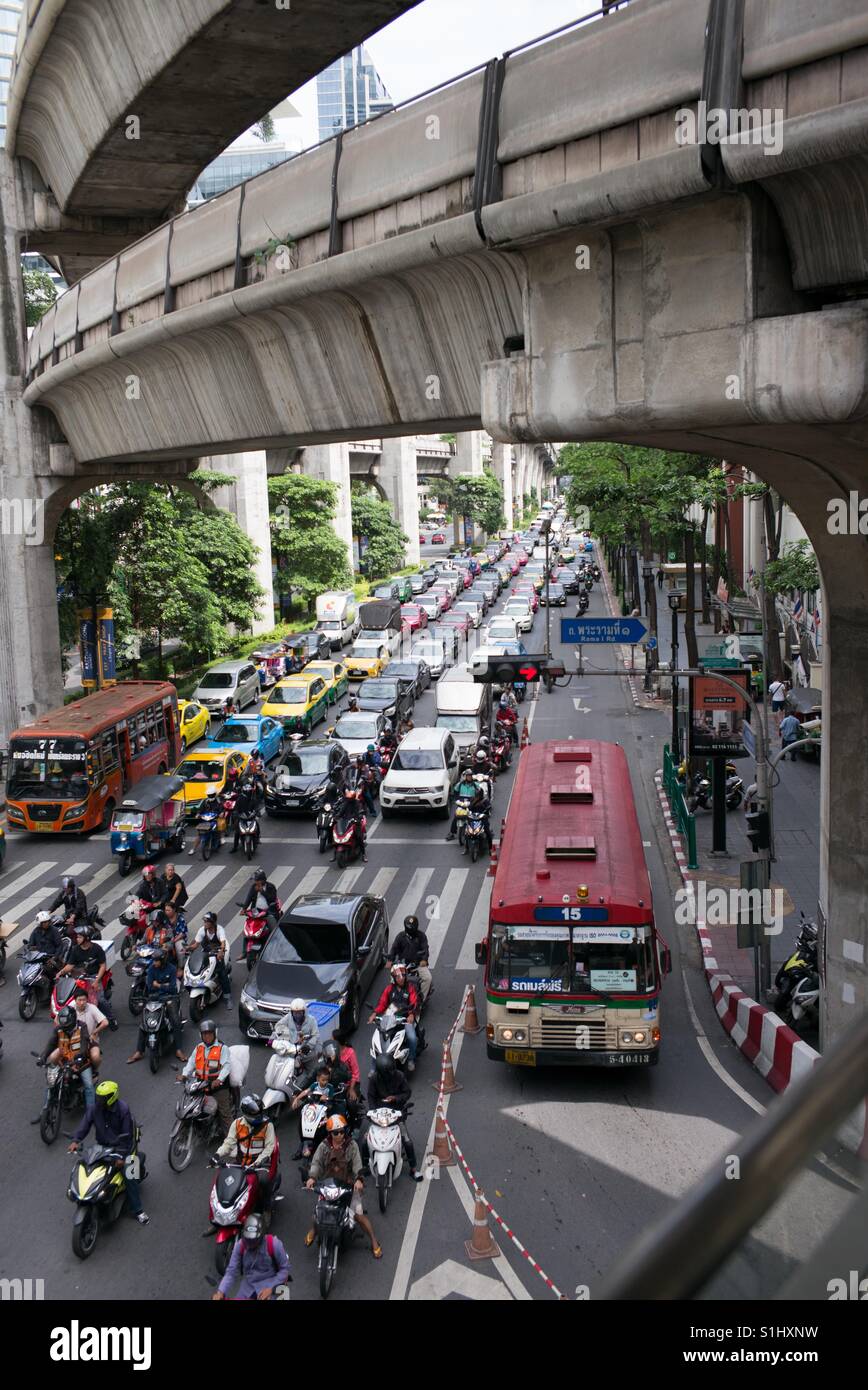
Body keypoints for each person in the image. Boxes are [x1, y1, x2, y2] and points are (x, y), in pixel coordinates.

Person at [69, 1080, 148, 1223]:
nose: (99, 1100)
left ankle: (138, 1210)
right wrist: (76, 1140)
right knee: (88, 1166)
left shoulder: (123, 1110)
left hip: (124, 1147)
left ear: (111, 1097)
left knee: (129, 1173)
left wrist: (120, 1156)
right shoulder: (95, 1109)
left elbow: (127, 1137)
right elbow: (85, 1124)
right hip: (103, 1147)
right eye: (98, 1097)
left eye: (102, 1098)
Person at [304, 1114, 382, 1259]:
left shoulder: (352, 1146)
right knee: (318, 1212)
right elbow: (316, 1163)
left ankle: (374, 1241)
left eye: (342, 1131)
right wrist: (312, 1178)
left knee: (359, 1216)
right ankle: (314, 1230)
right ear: (330, 1134)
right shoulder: (323, 1147)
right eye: (336, 1132)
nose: (339, 1135)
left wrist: (358, 1179)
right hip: (328, 1186)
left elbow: (358, 1164)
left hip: (348, 1187)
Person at [213, 1094, 278, 1213]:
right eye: (255, 1114)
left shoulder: (268, 1126)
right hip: (240, 1162)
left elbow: (269, 1147)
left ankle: (266, 1209)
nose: (259, 1116)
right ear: (246, 1114)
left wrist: (258, 1163)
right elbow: (229, 1143)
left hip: (259, 1164)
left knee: (263, 1182)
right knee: (223, 1180)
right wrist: (217, 1155)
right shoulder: (237, 1124)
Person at [362, 1054, 423, 1181]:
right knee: (365, 1140)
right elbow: (371, 1096)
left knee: (407, 1141)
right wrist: (373, 1113)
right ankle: (365, 1165)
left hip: (396, 1114)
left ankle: (413, 1169)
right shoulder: (374, 1079)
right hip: (378, 1115)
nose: (389, 1074)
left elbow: (407, 1092)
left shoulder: (399, 1076)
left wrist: (395, 1098)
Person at [126, 948, 186, 1064]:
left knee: (175, 1021)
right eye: (154, 961)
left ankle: (178, 1049)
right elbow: (149, 986)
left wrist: (158, 985)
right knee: (144, 1023)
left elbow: (172, 987)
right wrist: (163, 985)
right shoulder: (151, 969)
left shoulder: (172, 969)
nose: (154, 963)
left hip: (169, 998)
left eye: (156, 961)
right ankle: (139, 1051)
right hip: (154, 998)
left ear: (162, 961)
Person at [213, 1213, 289, 1301]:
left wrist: (271, 1288)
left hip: (271, 1285)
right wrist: (220, 1292)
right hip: (248, 1287)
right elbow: (231, 1272)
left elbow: (285, 1270)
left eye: (253, 1241)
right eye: (247, 1240)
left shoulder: (274, 1244)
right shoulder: (240, 1246)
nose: (249, 1245)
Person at [57, 925, 118, 1029]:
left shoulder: (97, 949)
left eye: (79, 937)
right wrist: (61, 972)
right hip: (80, 976)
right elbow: (70, 965)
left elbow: (103, 966)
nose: (77, 939)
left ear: (86, 938)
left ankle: (111, 1019)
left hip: (94, 976)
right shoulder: (76, 949)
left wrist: (97, 981)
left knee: (101, 1000)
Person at [181, 1019, 234, 1135]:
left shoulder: (222, 1048)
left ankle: (232, 1142)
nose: (207, 1036)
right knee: (190, 1106)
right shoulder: (199, 1048)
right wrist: (184, 1074)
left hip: (218, 1086)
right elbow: (191, 1062)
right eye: (205, 1034)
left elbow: (227, 1066)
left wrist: (219, 1079)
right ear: (201, 1035)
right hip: (201, 1084)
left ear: (215, 1033)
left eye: (209, 1033)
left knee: (225, 1114)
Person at [38, 1004, 96, 1107]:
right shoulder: (58, 1029)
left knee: (89, 1086)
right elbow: (51, 1043)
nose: (65, 1028)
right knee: (51, 1084)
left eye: (67, 1025)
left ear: (73, 1019)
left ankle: (91, 1112)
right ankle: (45, 1109)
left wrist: (80, 1057)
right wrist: (43, 1056)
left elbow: (84, 1042)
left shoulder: (82, 1026)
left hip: (80, 1063)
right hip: (64, 1063)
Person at [369, 964, 421, 1072]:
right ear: (393, 978)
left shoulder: (410, 988)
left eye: (403, 976)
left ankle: (411, 1059)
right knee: (377, 1039)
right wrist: (374, 1013)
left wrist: (411, 1014)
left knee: (412, 1038)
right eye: (398, 977)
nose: (401, 978)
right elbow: (382, 1003)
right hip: (390, 1018)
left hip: (405, 1019)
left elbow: (414, 1002)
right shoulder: (389, 989)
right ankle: (373, 1067)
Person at [273, 998, 320, 1087]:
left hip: (306, 1050)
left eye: (299, 1013)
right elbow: (278, 1026)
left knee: (314, 1071)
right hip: (292, 1049)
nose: (297, 1015)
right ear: (292, 1012)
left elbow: (316, 1035)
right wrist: (285, 1035)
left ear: (304, 1012)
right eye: (295, 1013)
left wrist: (308, 1046)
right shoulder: (288, 1018)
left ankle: (311, 1087)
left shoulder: (311, 1020)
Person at [387, 915, 432, 1002]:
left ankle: (421, 999)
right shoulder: (400, 936)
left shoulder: (421, 936)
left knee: (427, 978)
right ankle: (394, 998)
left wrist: (424, 960)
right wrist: (390, 960)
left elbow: (425, 949)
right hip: (403, 964)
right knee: (393, 979)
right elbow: (394, 949)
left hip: (418, 964)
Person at [192, 912, 233, 1008]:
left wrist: (221, 952)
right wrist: (187, 948)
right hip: (206, 953)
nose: (205, 923)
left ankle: (228, 997)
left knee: (222, 973)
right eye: (204, 921)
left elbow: (223, 943)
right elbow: (195, 944)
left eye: (207, 922)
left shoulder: (219, 930)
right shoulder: (202, 930)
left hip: (218, 953)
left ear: (212, 923)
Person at [73, 986, 109, 1076]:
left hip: (90, 1039)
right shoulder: (70, 1007)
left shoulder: (92, 1008)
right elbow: (57, 1020)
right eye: (79, 1000)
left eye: (84, 1000)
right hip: (73, 1040)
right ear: (75, 1000)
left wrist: (95, 1032)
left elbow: (105, 1022)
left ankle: (94, 1071)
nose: (82, 1003)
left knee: (96, 1057)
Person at [239, 869, 279, 937]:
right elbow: (249, 898)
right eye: (255, 880)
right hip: (256, 911)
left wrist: (262, 891)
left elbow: (272, 899)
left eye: (257, 880)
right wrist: (244, 909)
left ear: (262, 880)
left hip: (268, 911)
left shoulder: (271, 887)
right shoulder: (253, 887)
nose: (255, 882)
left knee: (274, 930)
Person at [27, 910, 65, 979]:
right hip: (39, 958)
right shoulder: (35, 932)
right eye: (44, 922)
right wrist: (31, 948)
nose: (47, 923)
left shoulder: (54, 931)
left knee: (54, 976)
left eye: (48, 921)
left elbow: (59, 946)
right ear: (40, 923)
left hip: (52, 958)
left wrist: (54, 958)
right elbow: (30, 945)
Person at [228, 777, 260, 853]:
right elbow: (236, 808)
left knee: (257, 826)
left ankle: (257, 839)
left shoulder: (253, 799)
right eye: (247, 791)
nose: (248, 793)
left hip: (251, 817)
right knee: (236, 832)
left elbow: (256, 808)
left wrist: (257, 812)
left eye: (249, 791)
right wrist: (236, 813)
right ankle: (235, 847)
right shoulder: (240, 799)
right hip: (242, 817)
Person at [188, 788, 223, 856]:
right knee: (199, 835)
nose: (210, 796)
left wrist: (221, 813)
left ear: (215, 794)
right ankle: (193, 849)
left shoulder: (219, 801)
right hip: (205, 819)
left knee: (218, 830)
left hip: (214, 819)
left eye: (212, 795)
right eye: (209, 795)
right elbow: (200, 810)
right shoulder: (205, 801)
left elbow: (222, 809)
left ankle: (220, 840)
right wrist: (198, 814)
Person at [331, 1029, 361, 1102]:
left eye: (332, 1039)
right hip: (336, 1082)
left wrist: (351, 1089)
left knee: (351, 1104)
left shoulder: (350, 1052)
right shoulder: (332, 1052)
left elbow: (355, 1073)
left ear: (337, 1042)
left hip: (349, 1083)